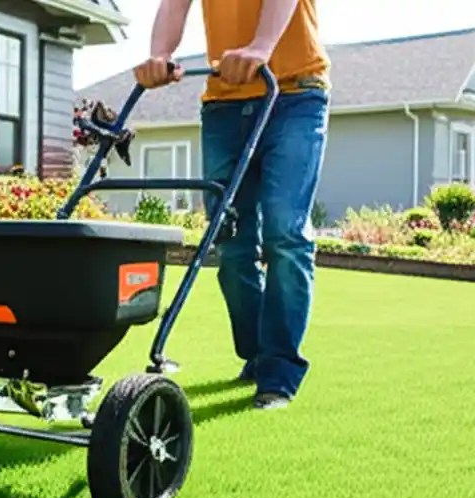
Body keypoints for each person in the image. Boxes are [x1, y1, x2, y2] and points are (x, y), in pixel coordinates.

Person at [134, 0, 330, 410]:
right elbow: (174, 5)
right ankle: (258, 355)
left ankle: (279, 372)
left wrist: (261, 47)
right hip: (224, 103)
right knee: (230, 242)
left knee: (285, 232)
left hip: (295, 93)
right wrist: (160, 55)